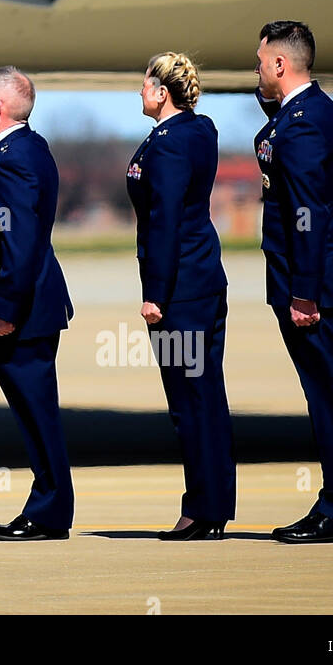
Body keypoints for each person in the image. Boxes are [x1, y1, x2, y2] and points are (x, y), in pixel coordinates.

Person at [254, 20, 333, 544]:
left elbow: (306, 210)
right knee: (327, 395)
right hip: (313, 280)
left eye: (261, 63)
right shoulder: (306, 112)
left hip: (312, 287)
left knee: (329, 397)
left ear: (281, 64)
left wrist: (303, 290)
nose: (256, 71)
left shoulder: (302, 121)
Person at [126, 52, 235, 540]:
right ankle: (213, 506)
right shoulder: (201, 130)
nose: (140, 93)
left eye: (145, 86)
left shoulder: (167, 145)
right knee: (207, 395)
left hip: (180, 292)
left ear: (161, 93)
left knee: (189, 401)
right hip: (205, 279)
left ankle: (201, 511)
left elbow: (164, 219)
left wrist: (155, 294)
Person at [0, 67, 73, 540]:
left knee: (37, 409)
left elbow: (21, 241)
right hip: (17, 296)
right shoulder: (20, 150)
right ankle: (47, 506)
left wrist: (5, 307)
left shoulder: (14, 157)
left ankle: (48, 511)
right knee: (33, 410)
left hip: (22, 307)